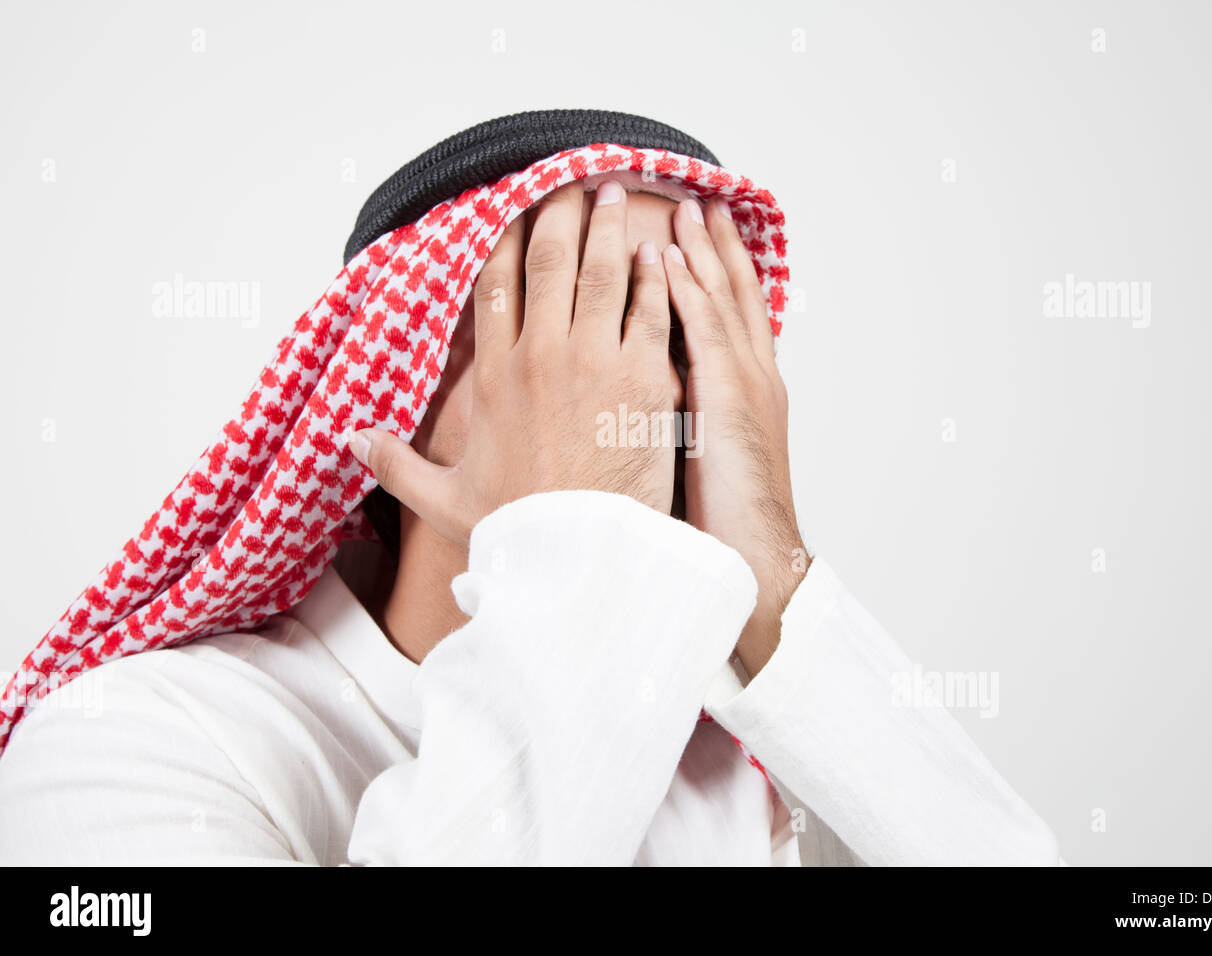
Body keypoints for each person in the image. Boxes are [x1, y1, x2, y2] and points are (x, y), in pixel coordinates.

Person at [0, 176, 1061, 867]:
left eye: (687, 324)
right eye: (577, 315)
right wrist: (582, 530)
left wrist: (772, 584)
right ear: (393, 395)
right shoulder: (135, 744)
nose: (636, 379)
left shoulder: (739, 786)